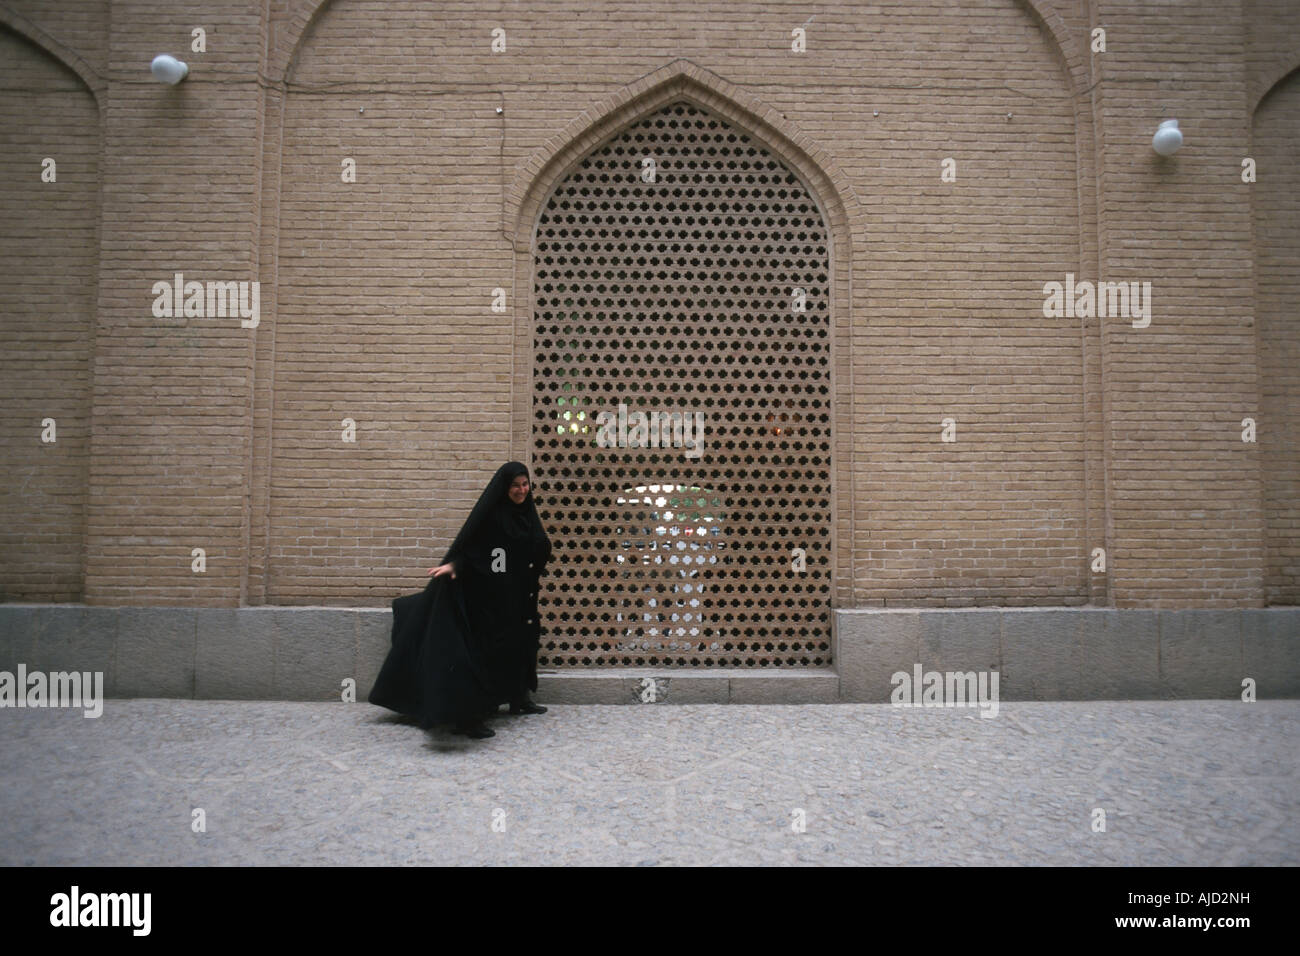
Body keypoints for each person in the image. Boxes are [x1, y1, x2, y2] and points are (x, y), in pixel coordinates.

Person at [369, 461, 553, 738]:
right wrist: (454, 567)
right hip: (490, 600)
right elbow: (473, 550)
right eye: (515, 485)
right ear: (504, 488)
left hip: (519, 598)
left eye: (525, 484)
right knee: (483, 655)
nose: (521, 490)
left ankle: (518, 699)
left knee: (519, 646)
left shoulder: (526, 513)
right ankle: (470, 717)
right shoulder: (494, 517)